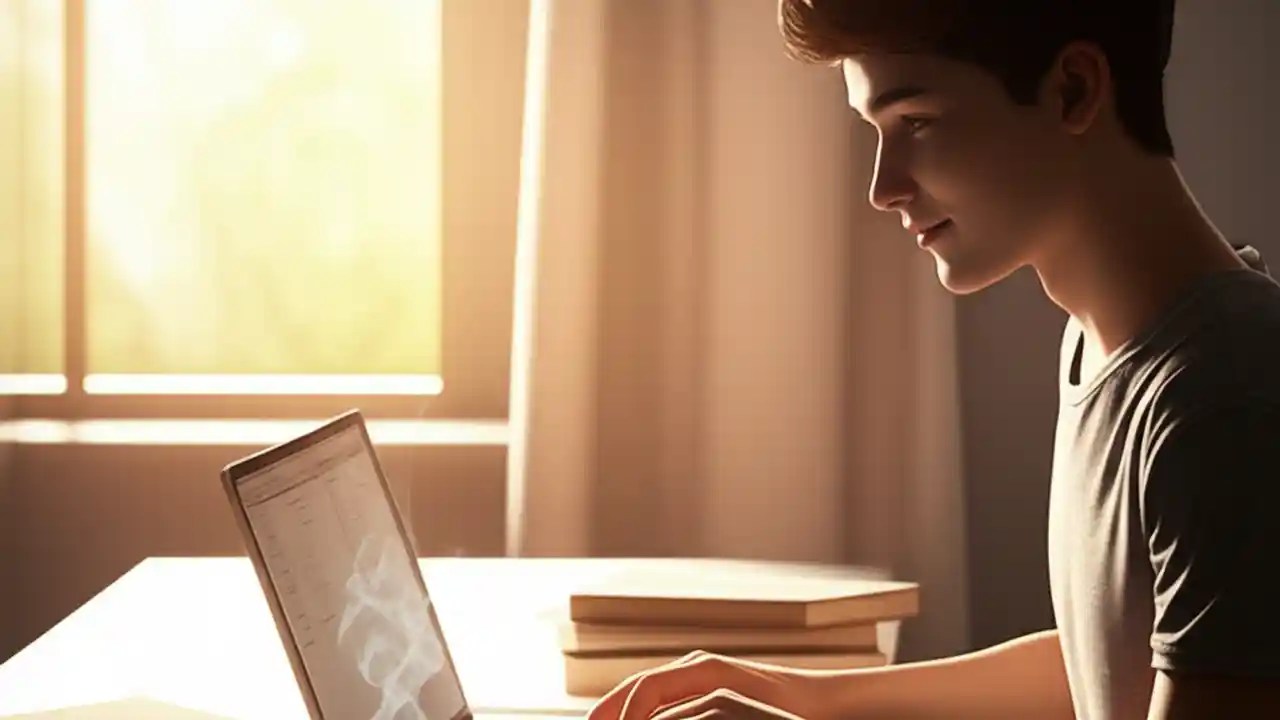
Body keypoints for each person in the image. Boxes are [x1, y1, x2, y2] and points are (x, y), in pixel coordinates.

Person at [583, 1, 1280, 718]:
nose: (884, 188)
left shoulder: (1224, 400)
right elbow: (1109, 668)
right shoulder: (1116, 342)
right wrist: (798, 696)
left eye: (915, 122)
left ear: (1072, 89)